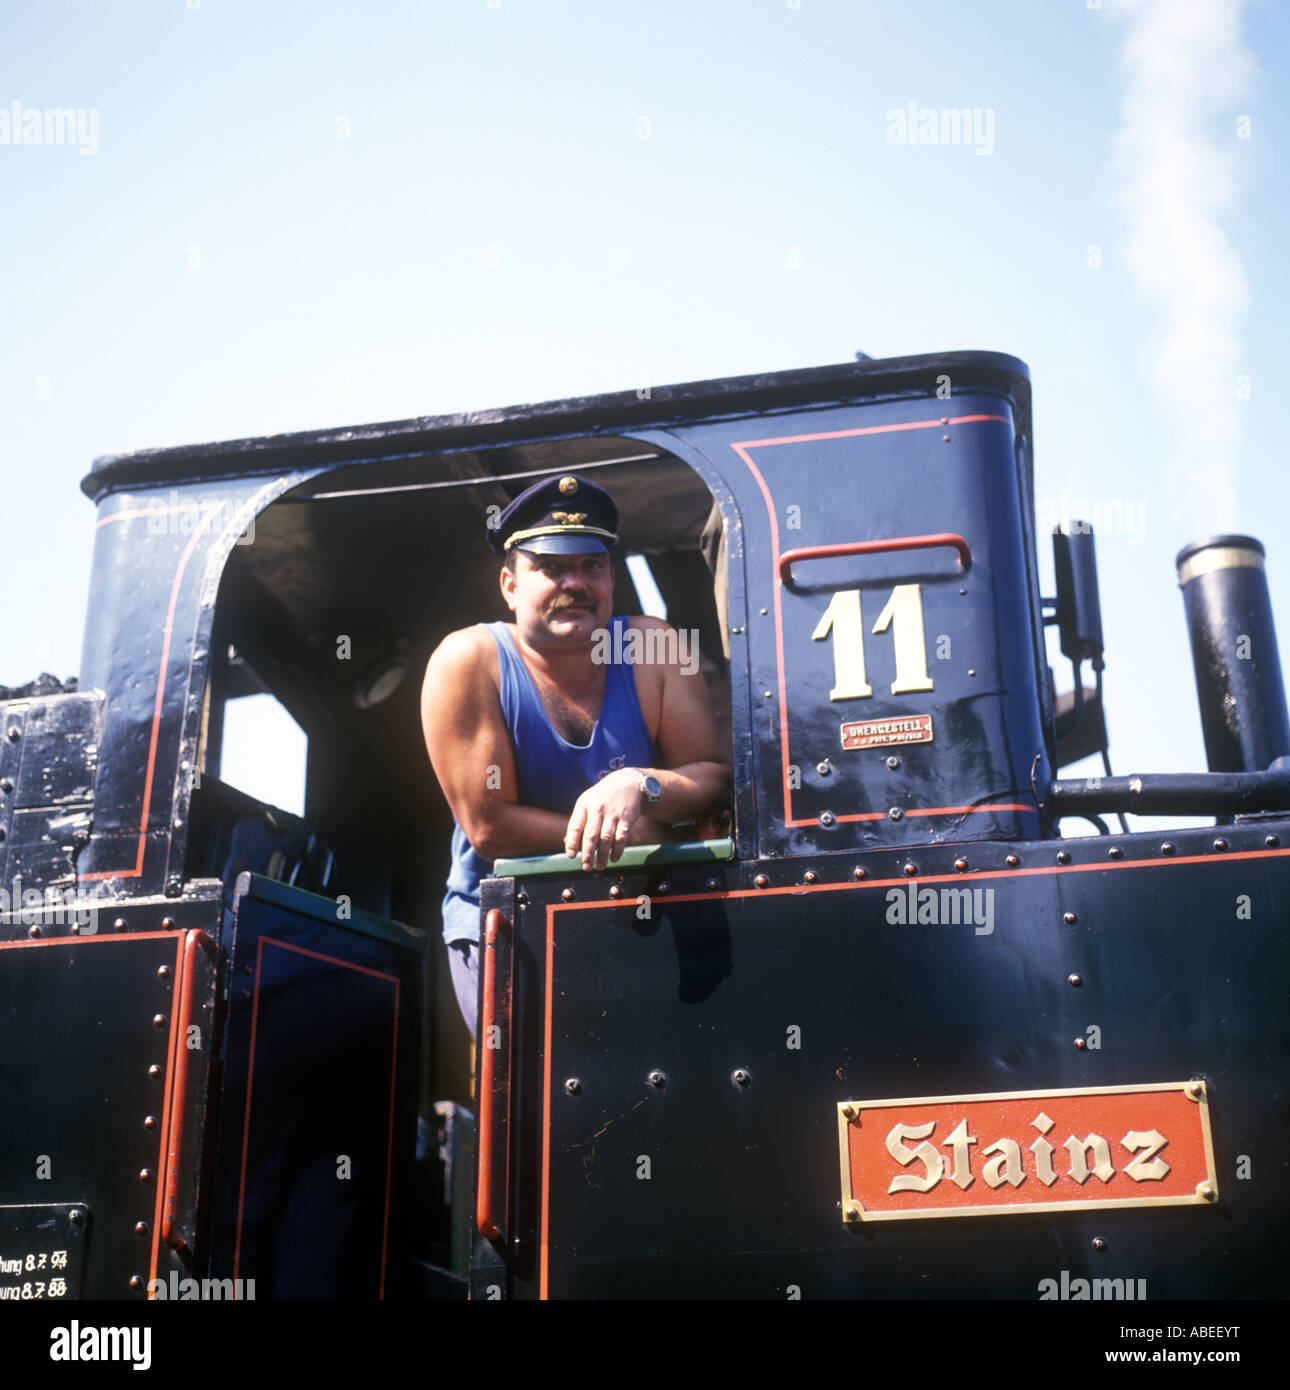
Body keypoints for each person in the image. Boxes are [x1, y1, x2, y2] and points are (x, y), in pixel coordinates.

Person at [420, 473, 731, 1036]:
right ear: (510, 585)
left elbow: (713, 777)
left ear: (612, 577)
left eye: (592, 566)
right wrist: (637, 835)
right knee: (534, 1113)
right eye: (552, 567)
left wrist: (639, 785)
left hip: (645, 910)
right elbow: (491, 827)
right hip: (508, 927)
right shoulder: (467, 660)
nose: (576, 582)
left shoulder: (653, 644)